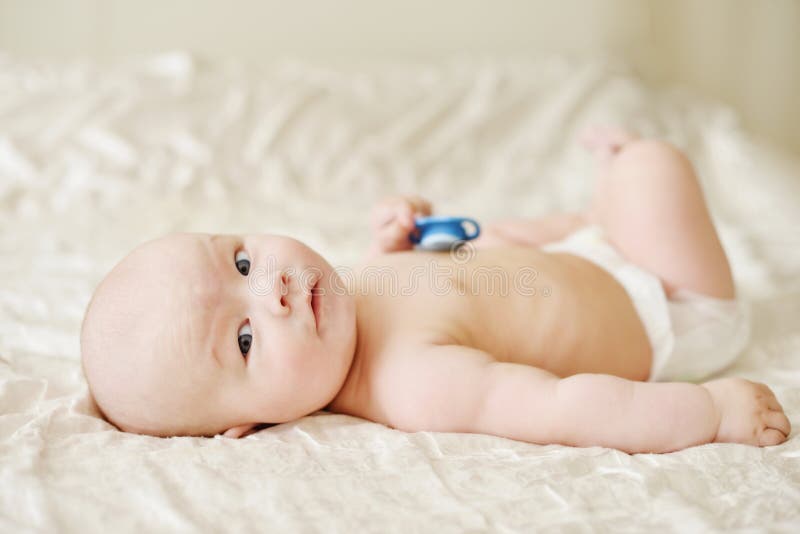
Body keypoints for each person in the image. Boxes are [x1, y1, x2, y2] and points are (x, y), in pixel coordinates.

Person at [80, 127, 791, 453]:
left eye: (240, 264)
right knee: (651, 164)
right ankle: (621, 186)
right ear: (247, 425)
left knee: (492, 241)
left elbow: (426, 281)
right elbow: (568, 408)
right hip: (668, 309)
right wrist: (709, 411)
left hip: (585, 260)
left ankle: (596, 215)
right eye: (243, 340)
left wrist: (399, 242)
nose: (277, 293)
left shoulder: (343, 305)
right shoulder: (413, 383)